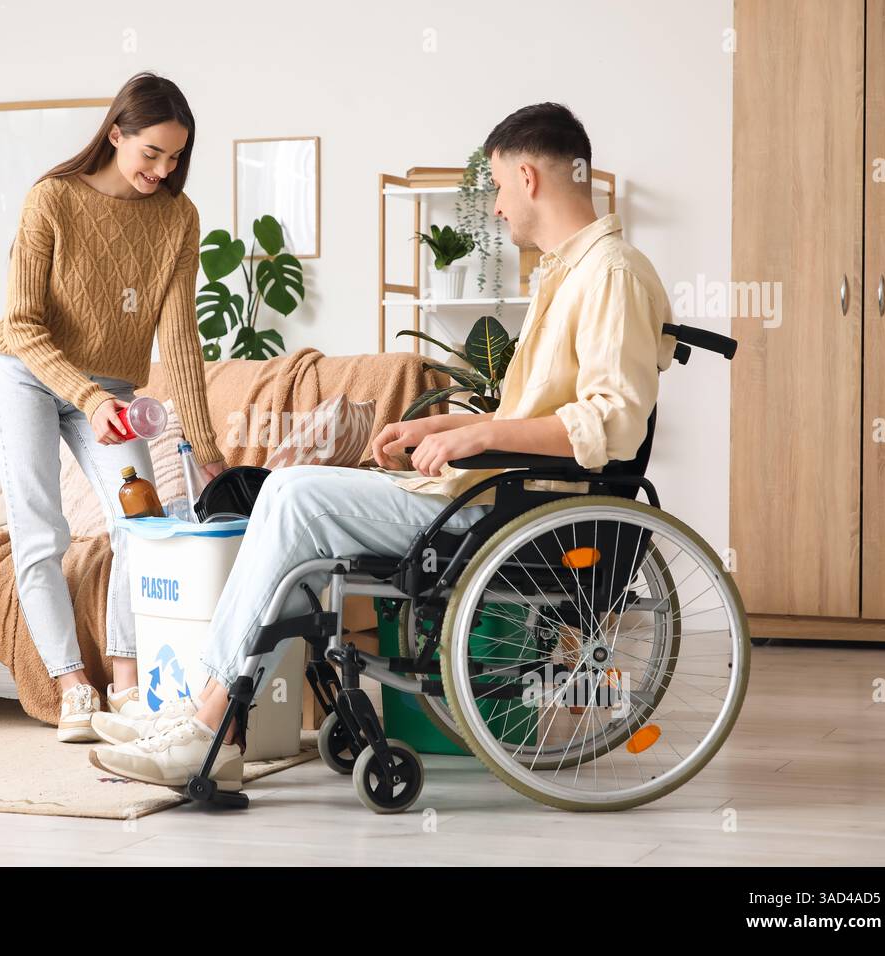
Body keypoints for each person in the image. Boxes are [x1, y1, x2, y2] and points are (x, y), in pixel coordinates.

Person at [87, 102, 676, 789]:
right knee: (287, 496)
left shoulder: (610, 273)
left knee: (294, 494)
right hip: (498, 497)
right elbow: (542, 411)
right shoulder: (567, 273)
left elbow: (610, 425)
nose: (495, 210)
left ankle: (207, 725)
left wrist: (481, 433)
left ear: (528, 177)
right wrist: (444, 427)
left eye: (497, 189)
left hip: (524, 515)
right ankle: (212, 718)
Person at [0, 73, 226, 743]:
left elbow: (178, 337)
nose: (163, 170)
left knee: (138, 524)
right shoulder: (52, 200)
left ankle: (124, 683)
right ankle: (71, 687)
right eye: (151, 153)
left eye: (175, 157)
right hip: (28, 376)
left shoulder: (178, 217)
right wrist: (85, 398)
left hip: (111, 393)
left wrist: (208, 453)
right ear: (116, 134)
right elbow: (23, 325)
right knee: (40, 533)